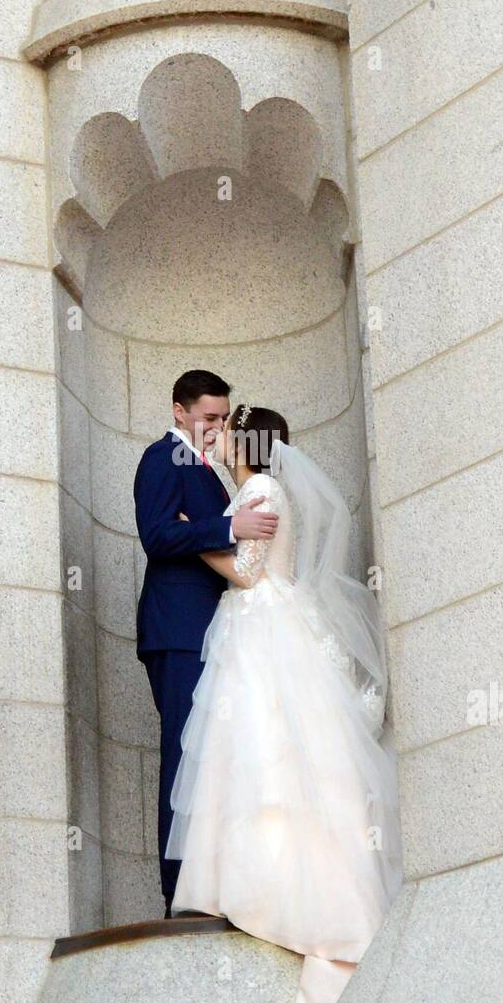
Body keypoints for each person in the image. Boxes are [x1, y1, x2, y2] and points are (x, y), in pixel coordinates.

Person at [165, 403, 404, 1003]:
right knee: (276, 761)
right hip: (273, 624)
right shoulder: (267, 489)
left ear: (245, 443)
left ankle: (276, 897)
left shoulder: (259, 491)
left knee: (261, 756)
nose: (216, 445)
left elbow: (246, 571)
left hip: (260, 627)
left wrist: (202, 534)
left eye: (225, 436)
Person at [133, 372, 281, 918]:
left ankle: (211, 883)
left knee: (208, 757)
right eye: (208, 418)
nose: (217, 428)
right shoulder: (159, 458)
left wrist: (225, 521)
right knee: (182, 753)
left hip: (210, 631)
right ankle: (178, 894)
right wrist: (227, 526)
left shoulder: (209, 473)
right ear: (178, 411)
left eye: (223, 419)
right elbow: (156, 534)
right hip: (177, 630)